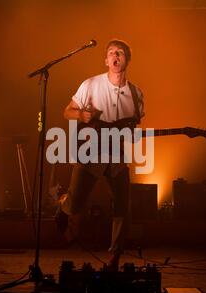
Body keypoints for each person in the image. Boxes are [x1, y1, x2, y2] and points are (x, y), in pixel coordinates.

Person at [55, 39, 144, 270]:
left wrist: (129, 132)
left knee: (123, 206)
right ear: (106, 60)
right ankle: (63, 201)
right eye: (112, 53)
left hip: (116, 154)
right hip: (90, 152)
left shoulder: (136, 94)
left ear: (127, 60)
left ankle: (115, 256)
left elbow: (134, 126)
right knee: (75, 205)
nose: (116, 56)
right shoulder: (91, 84)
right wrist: (81, 116)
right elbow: (67, 111)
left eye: (121, 53)